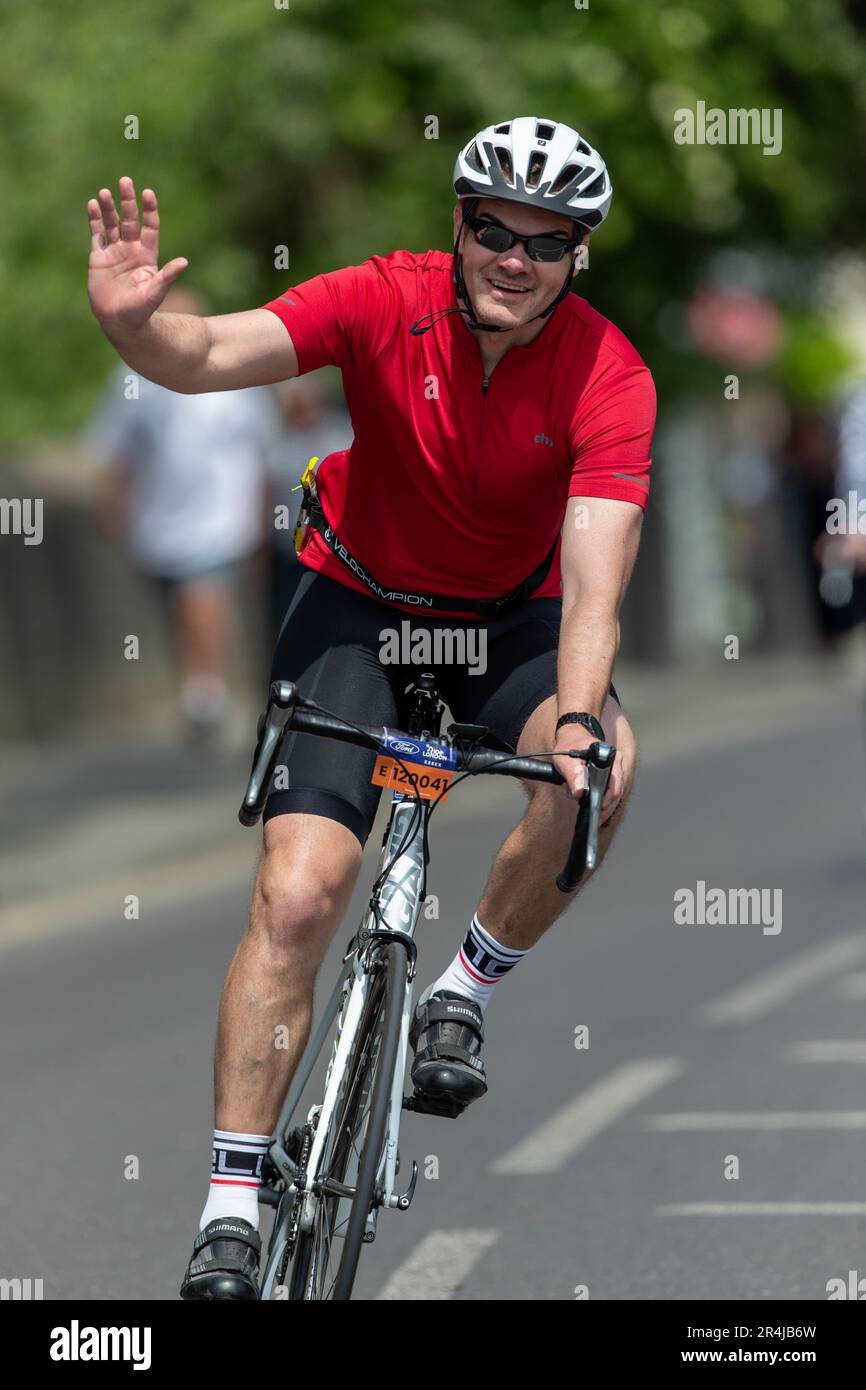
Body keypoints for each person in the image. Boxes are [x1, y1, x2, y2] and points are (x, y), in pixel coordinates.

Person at [86, 115, 656, 1300]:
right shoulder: (379, 299)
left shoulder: (612, 375)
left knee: (601, 760)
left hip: (507, 623)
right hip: (357, 604)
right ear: (457, 226)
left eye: (545, 243)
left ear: (576, 258)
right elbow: (204, 356)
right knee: (297, 896)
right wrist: (134, 326)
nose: (514, 257)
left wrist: (575, 723)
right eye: (493, 229)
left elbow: (595, 579)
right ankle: (232, 1204)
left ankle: (460, 993)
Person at [88, 286, 282, 743]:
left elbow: (264, 454)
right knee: (180, 608)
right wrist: (115, 501)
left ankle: (206, 692)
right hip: (160, 522)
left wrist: (262, 517)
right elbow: (117, 449)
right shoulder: (131, 379)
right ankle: (200, 683)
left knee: (203, 595)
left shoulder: (239, 377)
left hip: (222, 519)